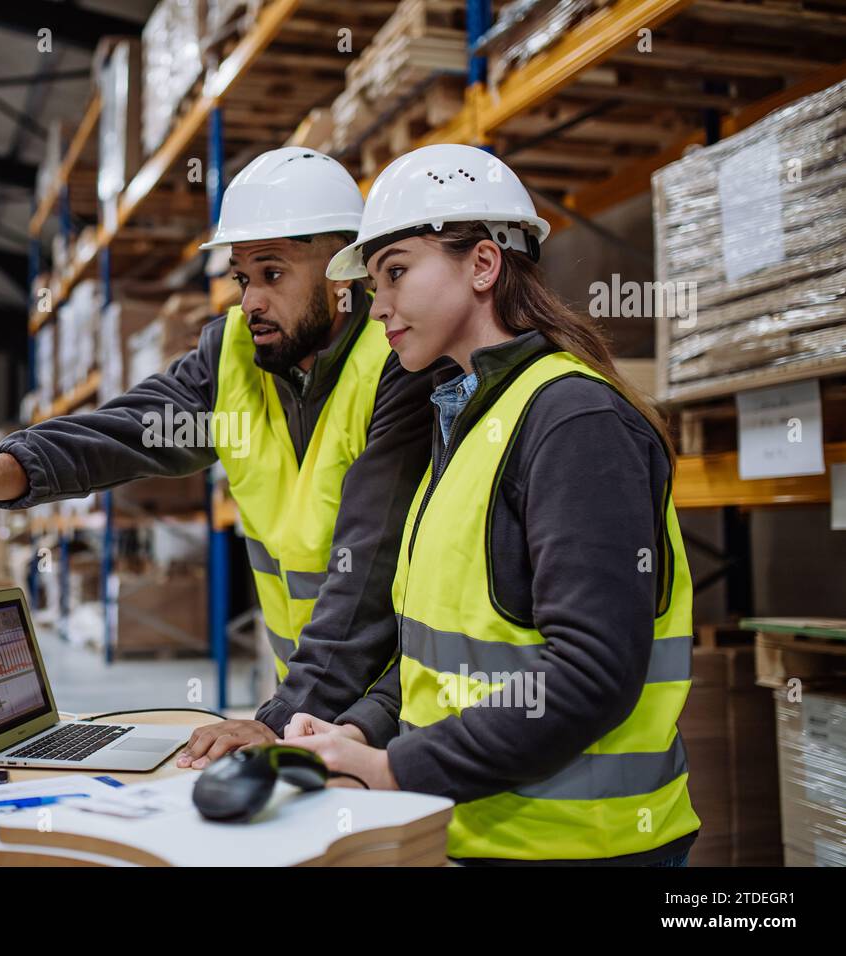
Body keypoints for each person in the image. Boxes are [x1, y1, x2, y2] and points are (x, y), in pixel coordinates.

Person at [0, 147, 436, 768]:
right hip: (307, 703)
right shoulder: (232, 357)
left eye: (273, 274)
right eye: (242, 277)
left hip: (392, 709)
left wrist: (278, 719)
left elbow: (364, 574)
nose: (250, 301)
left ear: (342, 274)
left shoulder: (400, 365)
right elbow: (120, 433)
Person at [281, 143, 700, 866]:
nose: (376, 306)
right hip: (484, 834)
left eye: (396, 273)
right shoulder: (465, 420)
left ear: (483, 264)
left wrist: (400, 770)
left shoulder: (573, 421)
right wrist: (363, 730)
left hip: (585, 848)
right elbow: (446, 659)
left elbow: (592, 671)